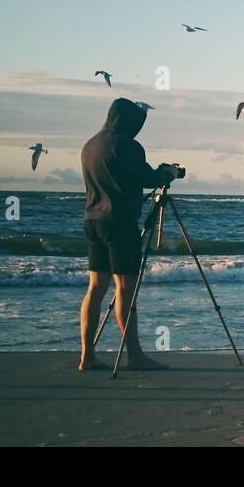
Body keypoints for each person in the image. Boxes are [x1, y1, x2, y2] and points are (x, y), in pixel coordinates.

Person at [78, 97, 178, 371]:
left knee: (95, 288)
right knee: (126, 289)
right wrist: (167, 173)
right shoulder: (127, 145)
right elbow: (147, 178)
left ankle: (87, 356)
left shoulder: (91, 145)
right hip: (120, 223)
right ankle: (135, 356)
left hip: (93, 219)